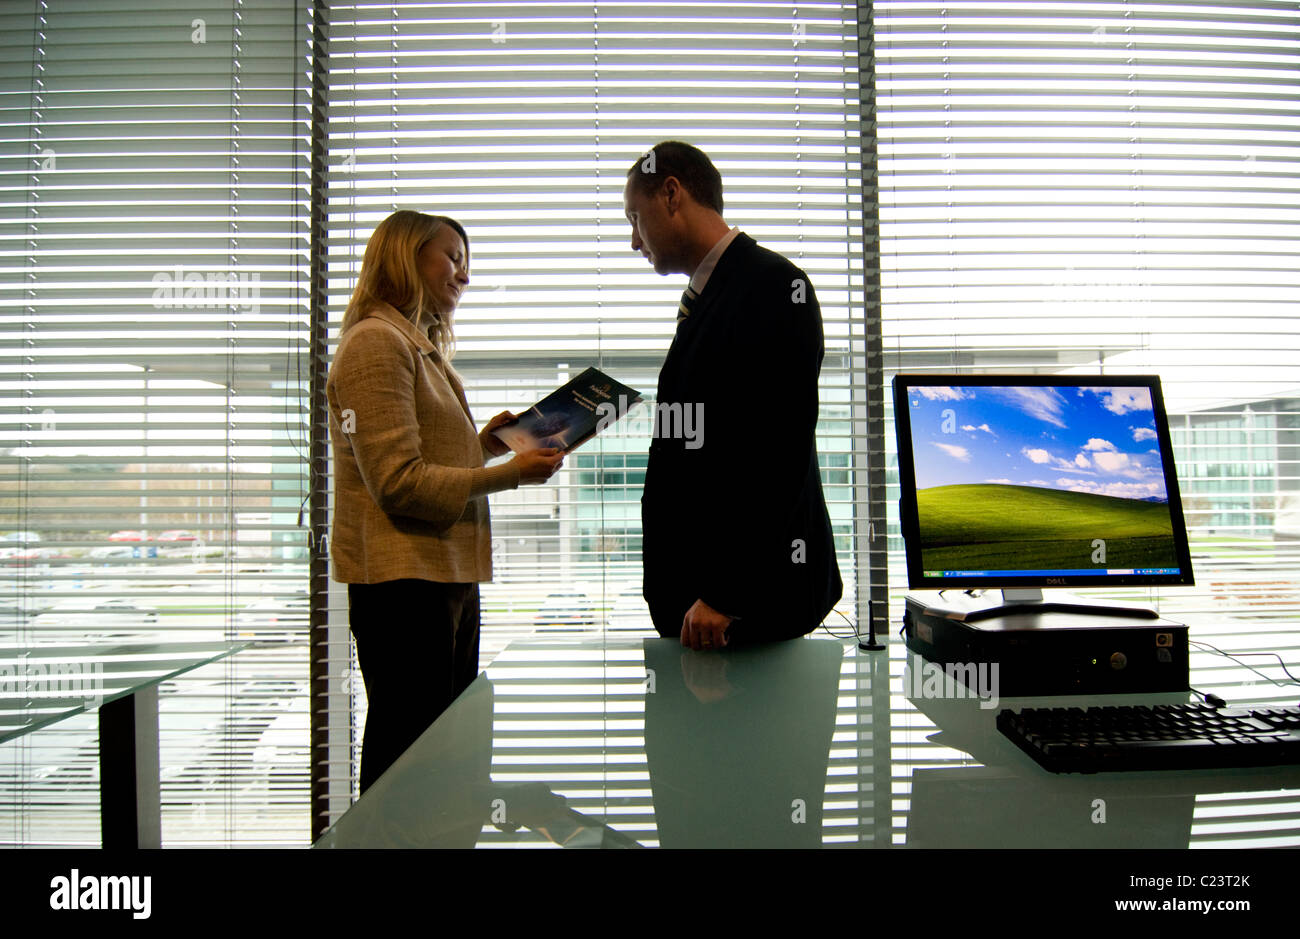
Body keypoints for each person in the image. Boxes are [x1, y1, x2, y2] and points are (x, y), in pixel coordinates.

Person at [328, 210, 564, 792]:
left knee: (444, 761)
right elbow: (399, 483)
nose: (464, 274)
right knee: (413, 766)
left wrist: (485, 446)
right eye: (453, 258)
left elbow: (422, 461)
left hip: (441, 580)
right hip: (406, 588)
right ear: (405, 257)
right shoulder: (376, 343)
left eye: (467, 263)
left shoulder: (412, 345)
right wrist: (511, 474)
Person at [624, 141, 842, 651]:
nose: (634, 241)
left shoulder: (774, 286)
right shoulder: (715, 294)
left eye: (635, 218)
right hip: (706, 605)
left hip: (743, 606)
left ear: (671, 194)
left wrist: (727, 593)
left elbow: (779, 451)